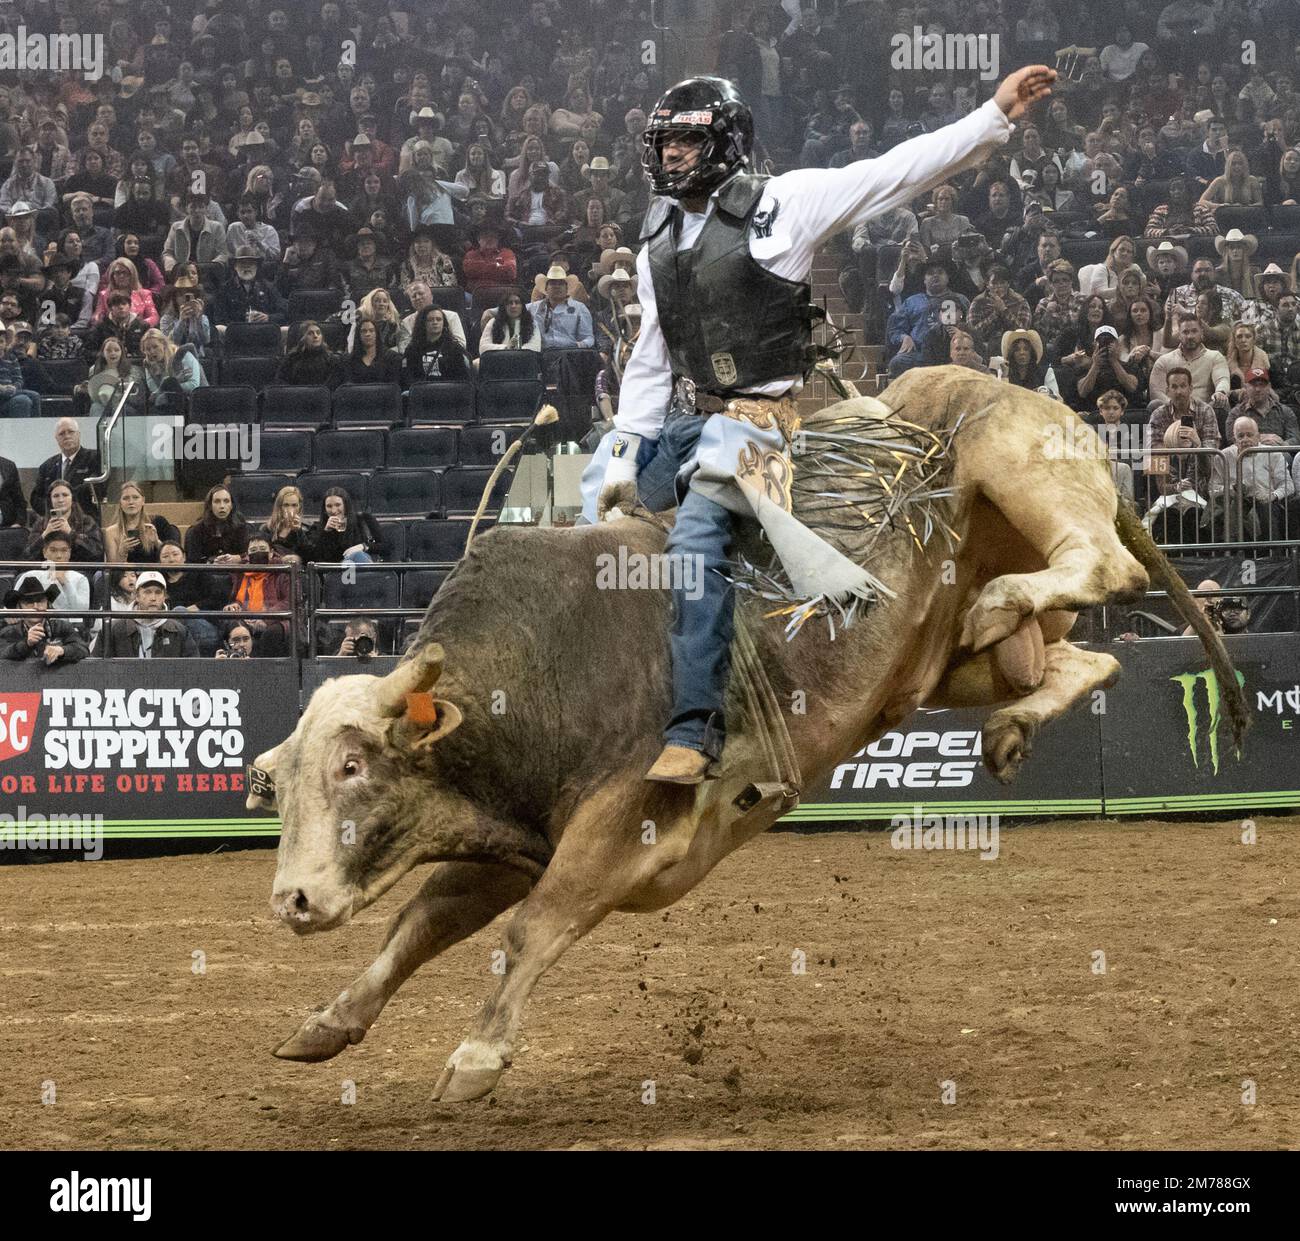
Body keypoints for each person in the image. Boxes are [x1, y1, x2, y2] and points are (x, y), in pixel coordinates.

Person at [581, 66, 1056, 783]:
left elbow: (893, 172)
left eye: (685, 139)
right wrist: (616, 462)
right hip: (687, 420)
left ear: (724, 143)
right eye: (664, 142)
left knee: (698, 535)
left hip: (763, 429)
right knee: (584, 512)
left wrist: (993, 115)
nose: (670, 154)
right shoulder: (658, 237)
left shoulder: (786, 204)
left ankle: (696, 731)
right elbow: (649, 364)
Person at [97, 569, 198, 658]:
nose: (153, 598)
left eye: (158, 592)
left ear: (164, 597)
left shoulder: (179, 631)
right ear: (137, 596)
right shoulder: (114, 630)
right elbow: (96, 668)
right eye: (147, 592)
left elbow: (192, 669)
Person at [0, 576, 89, 665]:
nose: (35, 606)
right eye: (29, 602)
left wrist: (62, 650)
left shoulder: (61, 627)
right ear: (19, 607)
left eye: (40, 601)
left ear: (48, 604)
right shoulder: (9, 632)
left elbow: (83, 649)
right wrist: (26, 644)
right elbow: (2, 652)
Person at [31, 418, 101, 517]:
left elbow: (95, 489)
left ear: (78, 434)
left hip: (86, 522)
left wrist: (67, 507)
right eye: (62, 433)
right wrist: (54, 512)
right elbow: (35, 498)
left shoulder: (95, 458)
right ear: (56, 438)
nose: (67, 436)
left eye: (71, 432)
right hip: (54, 522)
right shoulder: (46, 466)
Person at [25, 480, 102, 562]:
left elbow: (96, 554)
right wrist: (44, 535)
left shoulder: (87, 521)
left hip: (78, 570)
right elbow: (27, 556)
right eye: (56, 496)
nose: (61, 500)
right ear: (50, 500)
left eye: (65, 495)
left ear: (72, 498)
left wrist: (71, 534)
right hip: (46, 570)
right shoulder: (40, 523)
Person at [104, 480, 179, 564]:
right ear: (120, 503)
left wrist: (156, 542)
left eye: (135, 497)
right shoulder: (111, 532)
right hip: (128, 575)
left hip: (155, 574)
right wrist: (122, 553)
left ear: (143, 500)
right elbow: (112, 571)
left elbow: (173, 558)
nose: (131, 502)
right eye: (126, 498)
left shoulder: (158, 522)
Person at [304, 486, 381, 564]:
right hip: (334, 572)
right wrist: (326, 532)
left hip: (363, 567)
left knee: (357, 555)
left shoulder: (364, 519)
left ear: (345, 505)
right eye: (329, 506)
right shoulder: (317, 528)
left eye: (338, 505)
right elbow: (313, 557)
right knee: (348, 562)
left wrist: (363, 546)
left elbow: (387, 546)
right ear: (324, 509)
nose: (333, 510)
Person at [184, 484, 250, 564]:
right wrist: (211, 563)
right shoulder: (196, 530)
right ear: (210, 505)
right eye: (217, 501)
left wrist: (239, 558)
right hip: (206, 574)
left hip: (235, 573)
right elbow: (192, 562)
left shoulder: (241, 526)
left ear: (232, 505)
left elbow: (248, 554)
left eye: (226, 501)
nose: (222, 506)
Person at [403, 307, 470, 383]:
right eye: (430, 320)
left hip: (449, 391)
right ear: (423, 323)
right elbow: (407, 377)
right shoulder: (412, 349)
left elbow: (462, 377)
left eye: (439, 319)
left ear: (444, 323)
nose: (435, 322)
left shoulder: (454, 348)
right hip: (422, 392)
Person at [276, 321, 343, 387]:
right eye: (310, 333)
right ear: (302, 338)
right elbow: (281, 381)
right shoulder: (291, 359)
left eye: (318, 333)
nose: (316, 336)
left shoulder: (332, 360)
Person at [346, 316, 404, 384]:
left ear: (377, 334)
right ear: (358, 335)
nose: (368, 334)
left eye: (371, 330)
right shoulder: (350, 359)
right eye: (364, 331)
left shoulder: (391, 357)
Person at [259, 485, 310, 559]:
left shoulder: (308, 529)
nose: (290, 509)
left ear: (300, 507)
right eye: (286, 505)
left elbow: (309, 556)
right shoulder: (267, 529)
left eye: (294, 505)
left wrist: (299, 531)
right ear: (279, 507)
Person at [0, 324, 41, 417]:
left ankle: (35, 429)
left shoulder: (11, 358)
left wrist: (15, 387)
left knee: (35, 396)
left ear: (5, 343)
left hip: (11, 392)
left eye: (1, 342)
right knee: (22, 400)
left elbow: (18, 379)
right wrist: (2, 388)